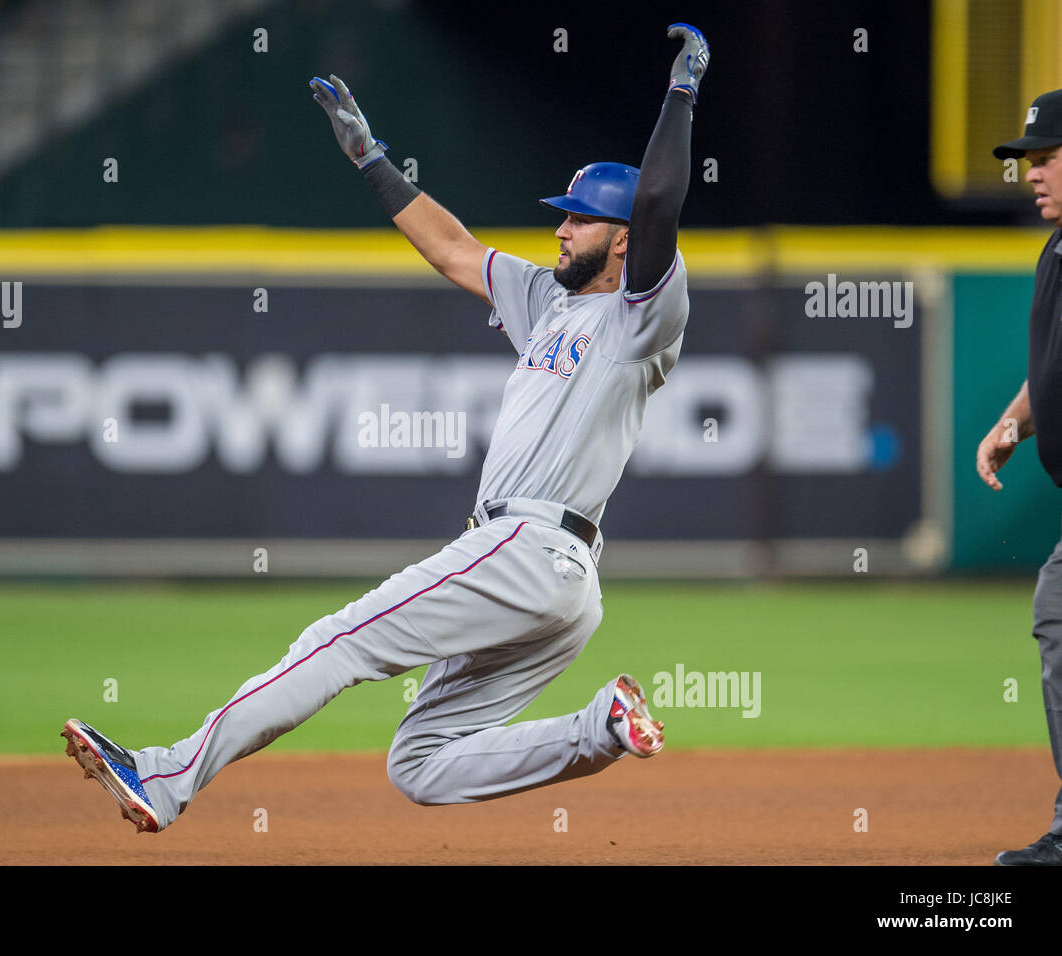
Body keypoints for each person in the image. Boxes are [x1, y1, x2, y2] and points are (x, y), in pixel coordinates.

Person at [61, 23, 710, 834]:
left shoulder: (640, 317)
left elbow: (656, 200)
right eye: (565, 216)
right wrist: (374, 163)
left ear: (622, 241)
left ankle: (167, 777)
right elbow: (454, 250)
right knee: (422, 764)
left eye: (580, 220)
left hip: (530, 549)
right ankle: (599, 728)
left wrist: (681, 90)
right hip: (561, 584)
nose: (561, 229)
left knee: (338, 641)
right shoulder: (550, 301)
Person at [979, 88, 1062, 866]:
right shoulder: (1057, 249)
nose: (1030, 174)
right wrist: (1012, 423)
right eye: (1027, 162)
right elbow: (1052, 370)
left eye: (1044, 159)